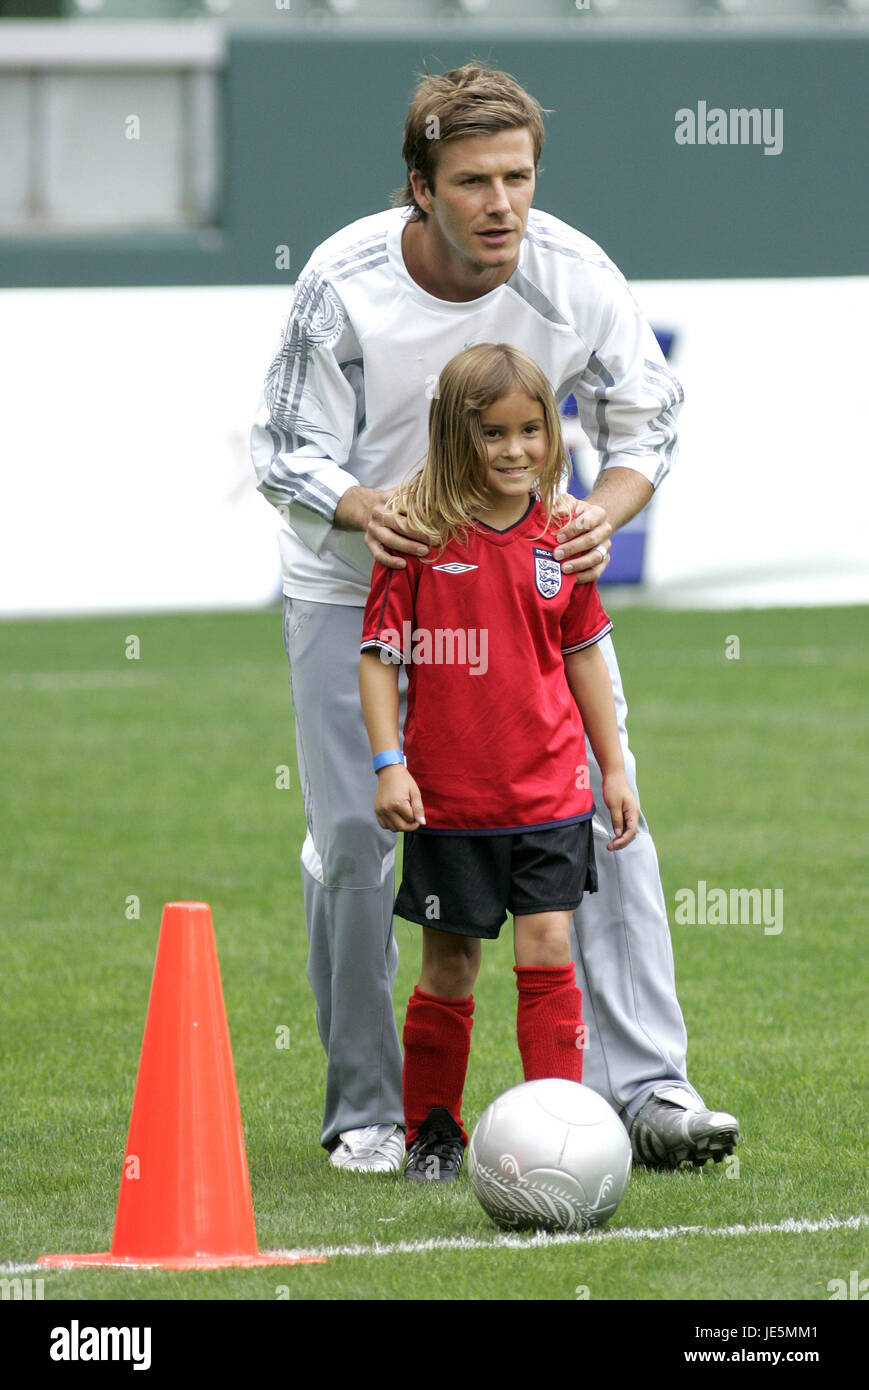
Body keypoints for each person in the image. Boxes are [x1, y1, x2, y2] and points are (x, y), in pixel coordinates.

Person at [250, 62, 739, 1171]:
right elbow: (282, 450)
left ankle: (647, 1091)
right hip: (356, 584)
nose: (501, 203)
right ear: (416, 189)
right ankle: (371, 1115)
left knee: (607, 821)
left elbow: (647, 417)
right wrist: (360, 504)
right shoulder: (342, 280)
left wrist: (598, 515)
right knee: (354, 846)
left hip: (523, 591)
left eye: (516, 175)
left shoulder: (572, 272)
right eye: (471, 179)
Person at [359, 343, 640, 1180]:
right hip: (450, 800)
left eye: (533, 430)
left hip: (551, 792)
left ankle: (557, 1126)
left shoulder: (564, 534)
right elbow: (378, 656)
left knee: (549, 945)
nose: (517, 450)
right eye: (493, 434)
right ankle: (432, 1133)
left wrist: (614, 768)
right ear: (455, 436)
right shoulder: (418, 536)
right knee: (450, 964)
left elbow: (585, 654)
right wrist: (388, 763)